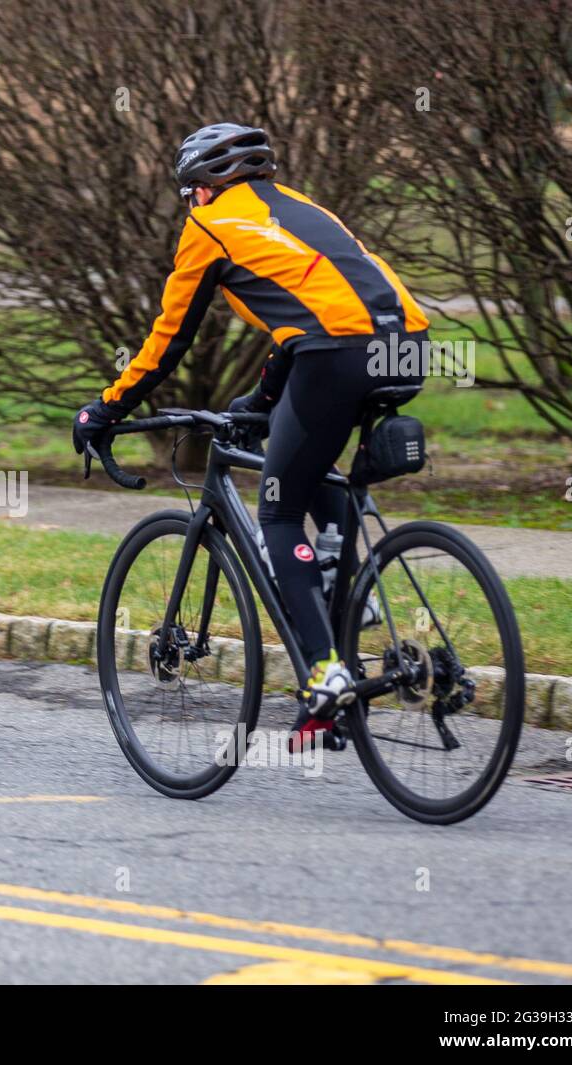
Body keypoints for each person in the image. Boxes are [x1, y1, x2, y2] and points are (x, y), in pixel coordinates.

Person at [72, 122, 428, 748]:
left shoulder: (208, 229)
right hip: (407, 347)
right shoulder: (299, 209)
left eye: (188, 195)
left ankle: (326, 674)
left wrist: (105, 408)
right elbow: (315, 308)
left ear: (201, 190)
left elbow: (169, 337)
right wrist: (262, 399)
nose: (190, 206)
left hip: (335, 353)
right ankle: (348, 591)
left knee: (279, 512)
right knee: (308, 457)